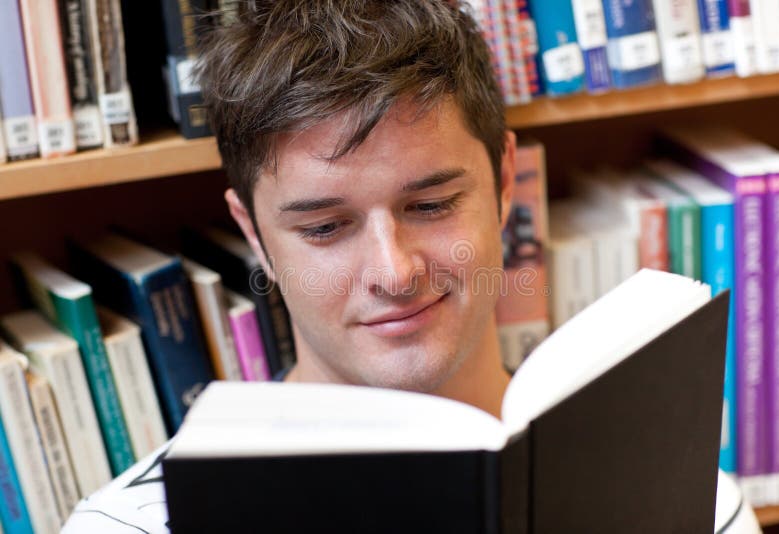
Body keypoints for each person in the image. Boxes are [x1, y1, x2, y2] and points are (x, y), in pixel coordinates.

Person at [62, 1, 516, 532]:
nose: (394, 273)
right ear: (254, 234)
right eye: (324, 228)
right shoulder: (128, 526)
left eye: (432, 205)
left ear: (505, 183)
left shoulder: (631, 436)